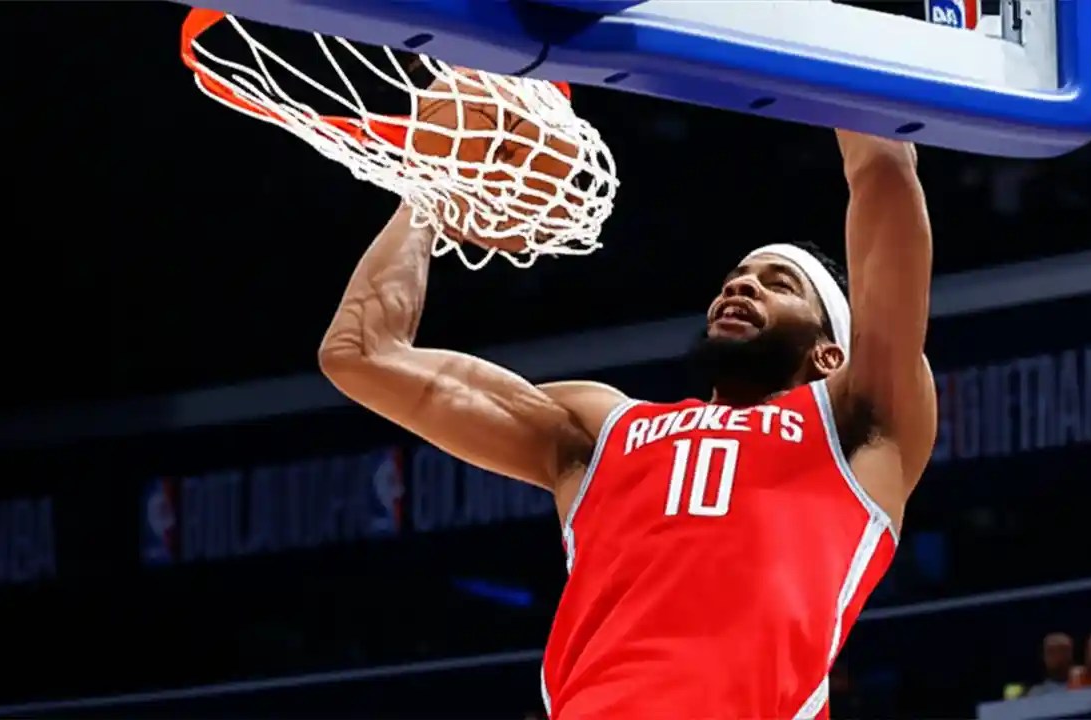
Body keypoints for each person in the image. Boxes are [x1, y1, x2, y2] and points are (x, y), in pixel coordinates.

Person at [319, 129, 935, 719]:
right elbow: (361, 355)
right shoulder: (602, 430)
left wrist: (832, 60)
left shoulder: (856, 424)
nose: (743, 285)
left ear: (831, 355)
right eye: (735, 279)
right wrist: (428, 188)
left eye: (780, 285)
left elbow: (882, 168)